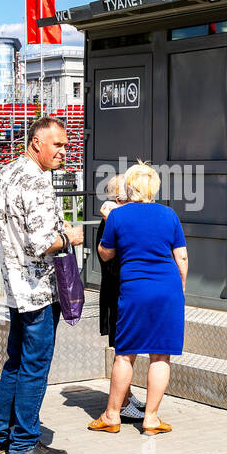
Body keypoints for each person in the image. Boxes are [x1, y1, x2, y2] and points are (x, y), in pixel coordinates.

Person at [0, 116, 84, 454]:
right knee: (34, 364)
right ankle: (25, 442)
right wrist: (69, 235)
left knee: (16, 360)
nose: (63, 151)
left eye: (66, 145)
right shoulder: (37, 182)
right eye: (57, 144)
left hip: (14, 284)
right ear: (36, 143)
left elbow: (7, 226)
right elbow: (43, 242)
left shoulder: (6, 173)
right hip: (38, 288)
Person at [90, 162, 188, 435]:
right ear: (154, 188)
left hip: (134, 290)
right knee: (161, 356)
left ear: (129, 188)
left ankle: (111, 416)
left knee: (125, 355)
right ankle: (152, 419)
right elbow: (181, 256)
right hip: (167, 290)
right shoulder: (169, 215)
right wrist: (179, 288)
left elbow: (106, 253)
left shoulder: (119, 217)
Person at [94, 173, 146, 420]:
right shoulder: (113, 223)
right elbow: (112, 260)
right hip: (119, 292)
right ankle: (122, 403)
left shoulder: (117, 219)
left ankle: (126, 393)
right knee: (124, 349)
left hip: (123, 290)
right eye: (132, 195)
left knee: (128, 348)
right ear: (119, 199)